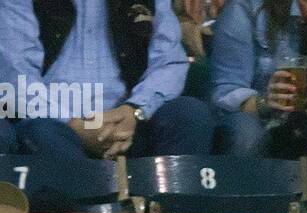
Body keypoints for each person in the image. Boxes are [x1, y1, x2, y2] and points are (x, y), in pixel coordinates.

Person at [0, 0, 215, 156]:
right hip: (51, 124)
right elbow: (16, 74)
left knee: (190, 114)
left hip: (125, 124)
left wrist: (134, 111)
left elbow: (169, 62)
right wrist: (73, 125)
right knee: (44, 133)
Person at [209, 0, 307, 156]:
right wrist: (264, 102)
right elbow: (225, 93)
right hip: (270, 120)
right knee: (245, 131)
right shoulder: (244, 7)